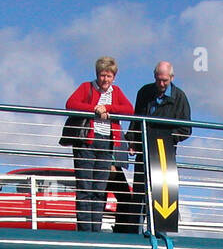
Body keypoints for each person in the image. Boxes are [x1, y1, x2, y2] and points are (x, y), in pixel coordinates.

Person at [121, 62, 192, 234]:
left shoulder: (180, 97)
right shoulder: (144, 92)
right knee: (139, 194)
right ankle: (135, 236)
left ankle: (159, 236)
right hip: (144, 152)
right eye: (159, 80)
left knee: (162, 197)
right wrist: (132, 140)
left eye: (165, 81)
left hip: (164, 155)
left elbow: (186, 129)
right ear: (154, 77)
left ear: (172, 78)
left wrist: (166, 138)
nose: (161, 84)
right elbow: (136, 120)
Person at [65, 57, 134, 232]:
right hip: (87, 142)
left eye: (109, 76)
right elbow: (71, 104)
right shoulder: (86, 87)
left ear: (114, 77)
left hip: (107, 144)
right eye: (103, 75)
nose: (105, 79)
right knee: (85, 188)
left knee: (99, 190)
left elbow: (129, 109)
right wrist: (95, 108)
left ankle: (95, 231)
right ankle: (84, 232)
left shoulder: (116, 92)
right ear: (97, 75)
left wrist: (108, 108)